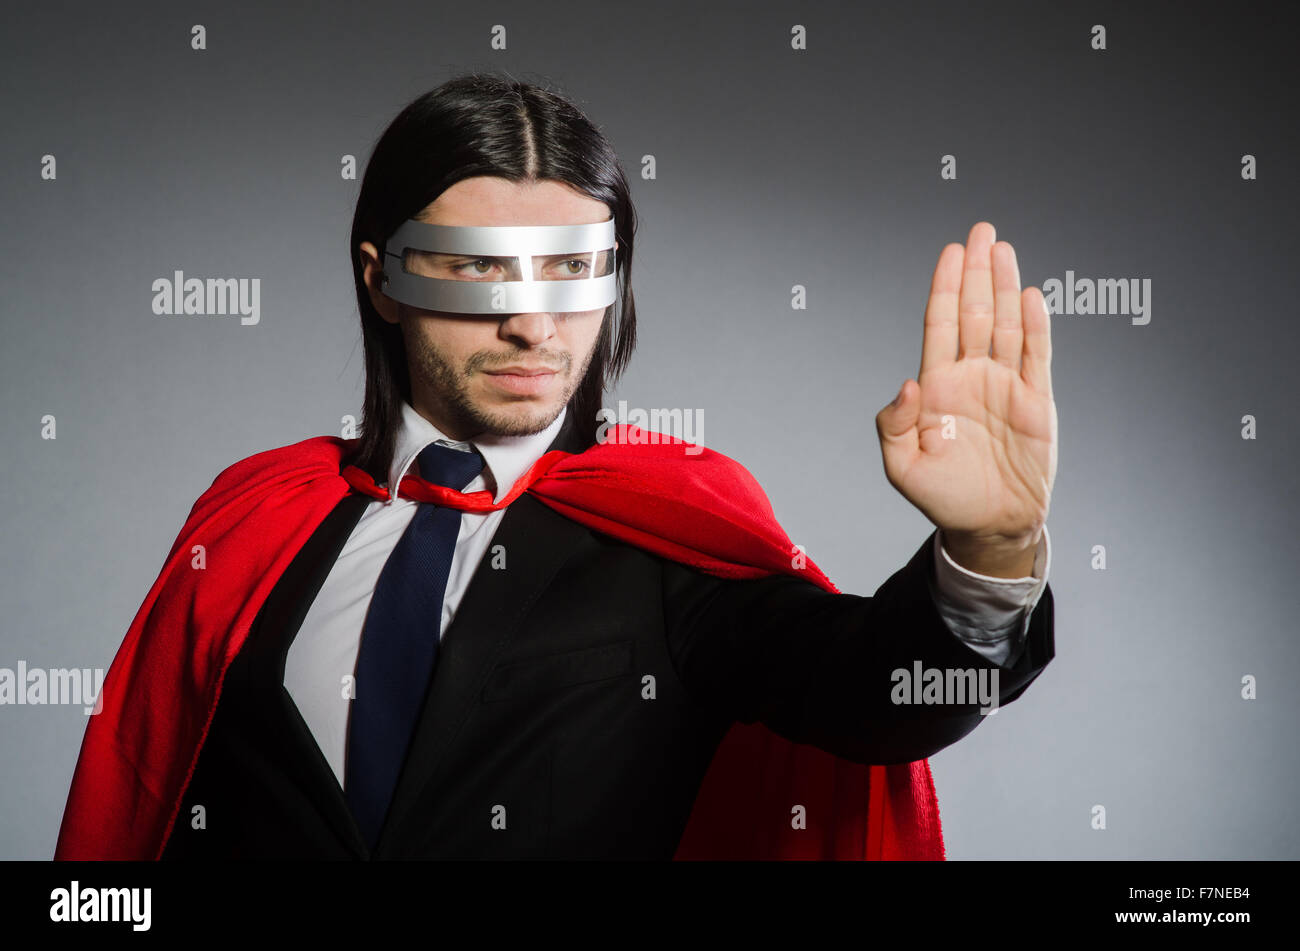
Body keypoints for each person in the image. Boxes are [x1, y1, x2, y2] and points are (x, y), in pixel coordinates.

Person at [55, 72, 1058, 861]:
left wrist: (990, 547)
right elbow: (150, 806)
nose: (531, 323)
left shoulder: (674, 521)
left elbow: (871, 696)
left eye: (572, 271)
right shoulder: (257, 516)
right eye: (476, 267)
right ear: (384, 282)